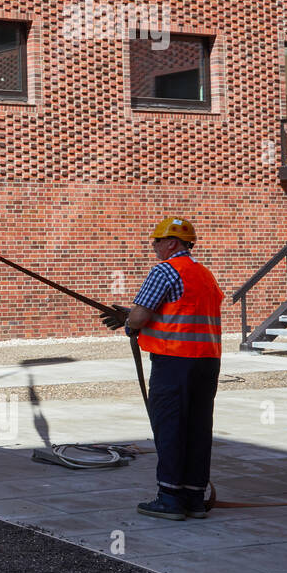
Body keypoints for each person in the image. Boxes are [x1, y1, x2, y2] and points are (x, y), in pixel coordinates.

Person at [100, 217, 223, 521]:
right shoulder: (204, 274)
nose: (153, 246)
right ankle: (194, 498)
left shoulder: (165, 270)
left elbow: (141, 316)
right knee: (197, 429)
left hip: (174, 362)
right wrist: (133, 316)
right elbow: (179, 311)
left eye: (156, 241)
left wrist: (130, 322)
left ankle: (169, 498)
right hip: (207, 362)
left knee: (169, 427)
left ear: (172, 243)